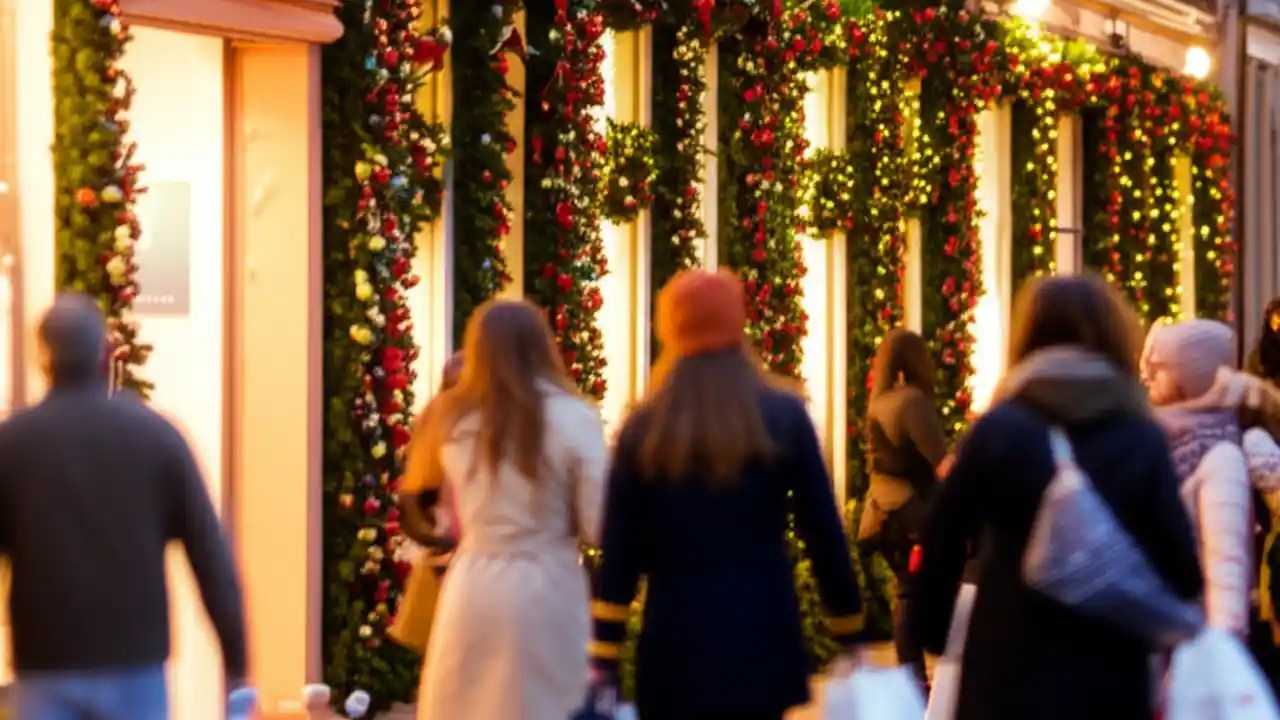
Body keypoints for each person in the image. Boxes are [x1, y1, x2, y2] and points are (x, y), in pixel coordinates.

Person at [909, 274, 1203, 720]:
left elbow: (941, 541)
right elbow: (1182, 570)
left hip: (1005, 668)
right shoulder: (1140, 436)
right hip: (1109, 672)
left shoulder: (998, 430)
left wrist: (934, 631)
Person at [590, 269, 865, 720]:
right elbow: (823, 532)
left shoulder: (645, 428)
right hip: (763, 631)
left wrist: (605, 650)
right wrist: (849, 630)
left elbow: (620, 551)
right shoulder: (782, 415)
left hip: (675, 638)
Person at [0, 295, 246, 719]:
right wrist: (238, 668)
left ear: (44, 359)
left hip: (46, 662)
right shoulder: (156, 438)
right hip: (136, 662)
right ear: (104, 354)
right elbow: (211, 557)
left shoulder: (13, 445)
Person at [413, 300, 608, 720]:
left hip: (473, 583)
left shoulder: (452, 422)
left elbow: (426, 505)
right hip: (548, 583)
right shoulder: (574, 417)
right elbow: (599, 523)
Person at [1142, 319, 1253, 635]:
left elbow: (1227, 568)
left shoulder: (1221, 457)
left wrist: (1221, 651)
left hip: (1195, 646)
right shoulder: (1162, 443)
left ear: (1189, 376)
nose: (1148, 376)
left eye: (1161, 367)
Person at [856, 327, 948, 680]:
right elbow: (941, 463)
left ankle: (912, 680)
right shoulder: (912, 403)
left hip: (882, 512)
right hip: (909, 513)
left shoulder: (878, 403)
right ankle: (918, 682)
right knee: (917, 593)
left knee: (906, 594)